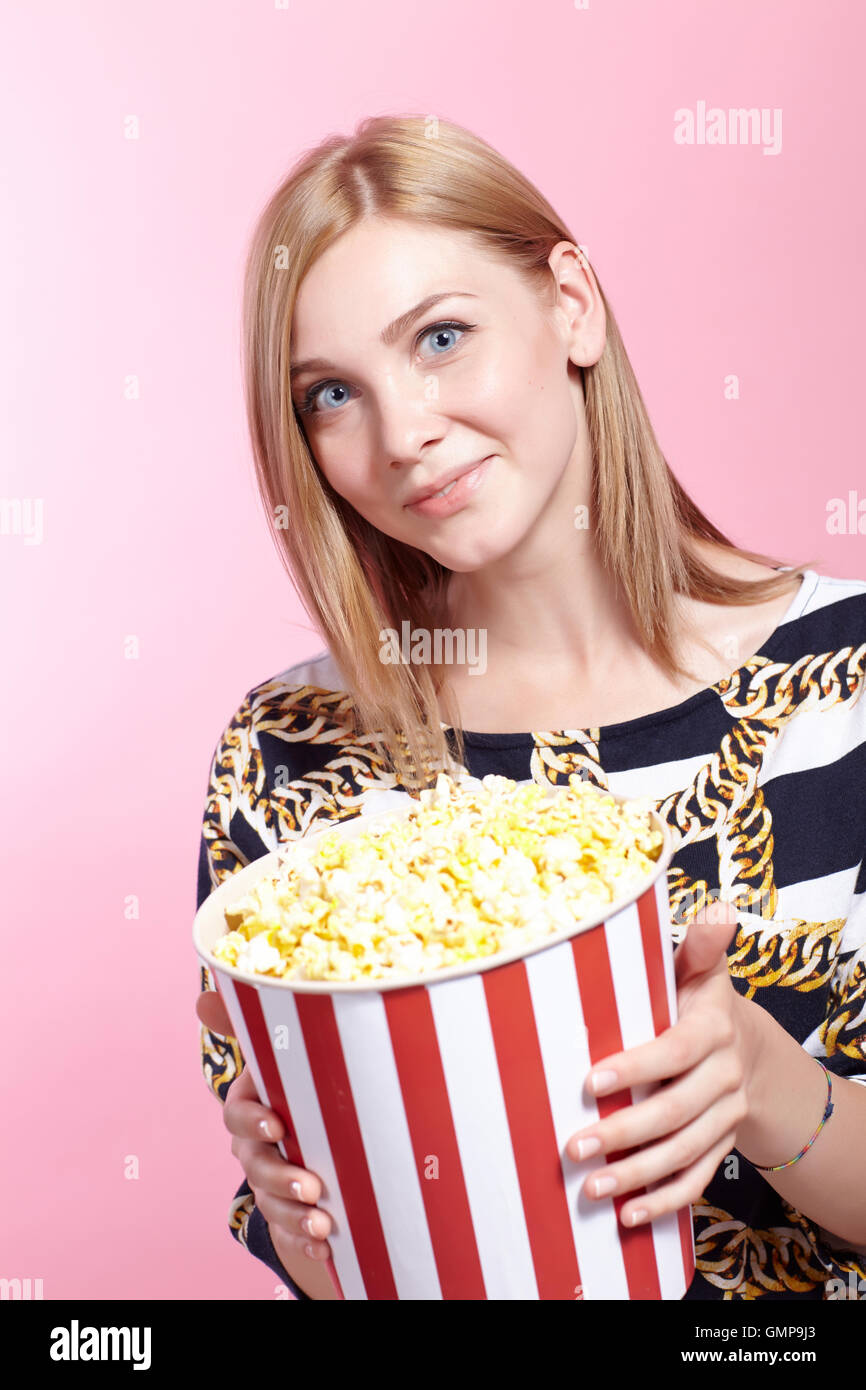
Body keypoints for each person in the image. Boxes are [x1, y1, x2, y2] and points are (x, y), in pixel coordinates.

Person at [195, 114, 866, 1302]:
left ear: (570, 305)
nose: (403, 435)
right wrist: (316, 1229)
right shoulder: (285, 760)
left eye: (441, 338)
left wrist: (762, 1085)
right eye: (332, 394)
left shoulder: (847, 681)